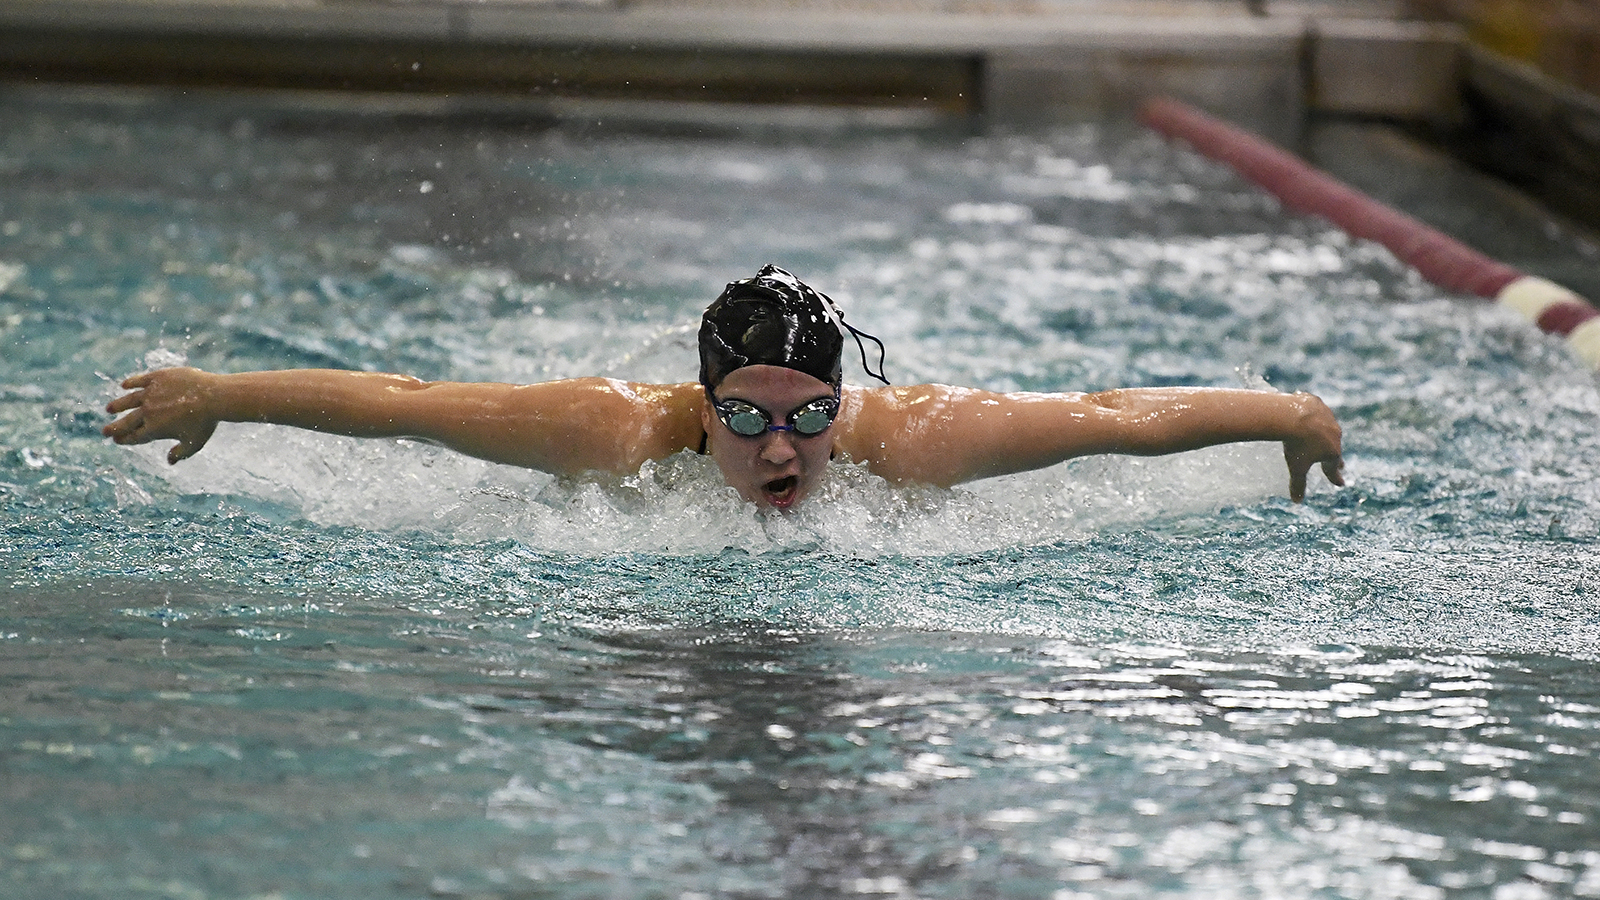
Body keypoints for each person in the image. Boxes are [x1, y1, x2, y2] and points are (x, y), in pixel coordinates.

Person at [103, 264, 1344, 510]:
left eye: (809, 418)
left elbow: (1120, 424)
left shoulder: (913, 445)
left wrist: (1291, 414)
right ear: (700, 410)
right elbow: (400, 398)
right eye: (745, 419)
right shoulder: (615, 432)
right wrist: (221, 391)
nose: (781, 453)